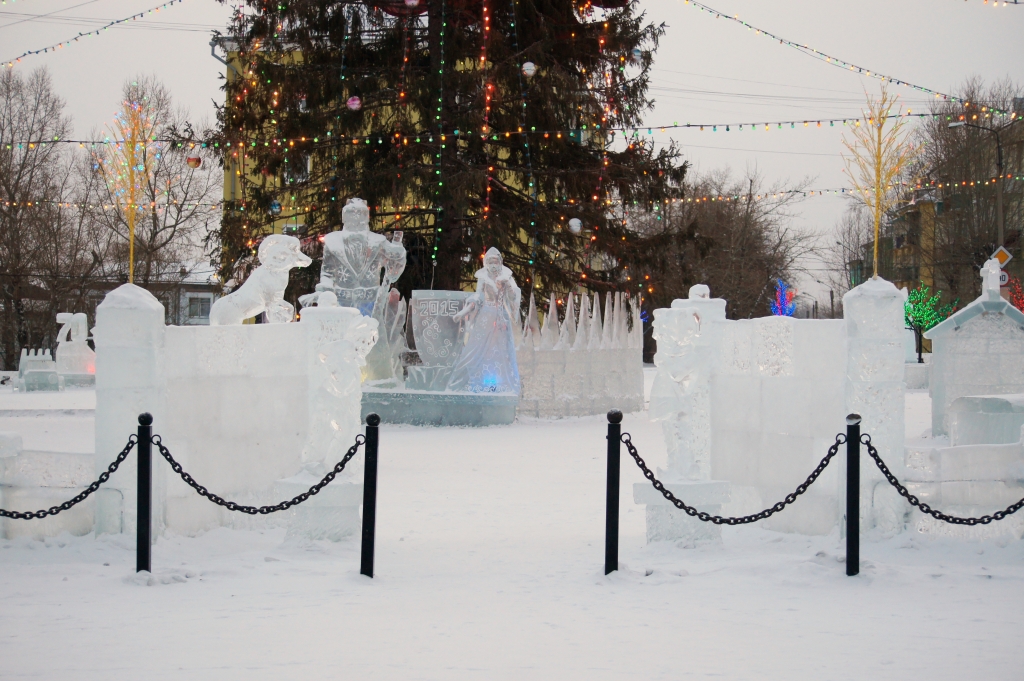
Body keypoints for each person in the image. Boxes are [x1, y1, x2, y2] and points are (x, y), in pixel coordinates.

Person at [446, 248, 522, 394]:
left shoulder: (507, 277)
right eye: (491, 262)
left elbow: (513, 297)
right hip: (486, 316)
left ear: (500, 262)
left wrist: (508, 288)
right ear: (486, 263)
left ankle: (500, 383)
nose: (494, 265)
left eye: (496, 261)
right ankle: (474, 381)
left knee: (501, 349)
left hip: (501, 319)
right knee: (477, 348)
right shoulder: (483, 277)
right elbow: (479, 295)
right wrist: (469, 307)